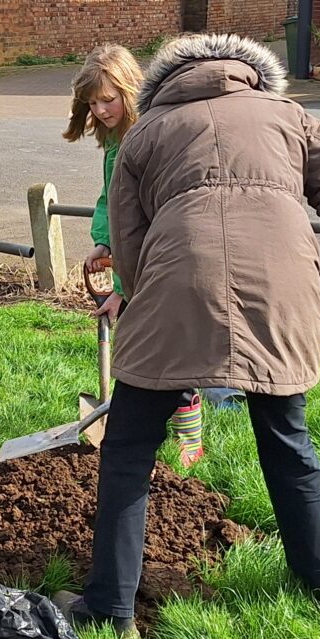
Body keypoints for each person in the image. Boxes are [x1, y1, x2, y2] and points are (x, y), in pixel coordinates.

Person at [60, 32, 320, 638]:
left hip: (176, 283)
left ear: (160, 82)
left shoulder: (147, 131)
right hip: (280, 286)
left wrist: (137, 290)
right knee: (287, 439)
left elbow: (127, 235)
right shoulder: (292, 116)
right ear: (249, 71)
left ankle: (111, 608)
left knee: (127, 447)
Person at [64, 44, 203, 472]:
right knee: (152, 349)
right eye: (93, 103)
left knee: (167, 348)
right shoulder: (114, 141)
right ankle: (163, 417)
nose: (101, 110)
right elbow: (113, 200)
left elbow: (144, 215)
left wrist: (123, 289)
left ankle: (189, 427)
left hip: (164, 253)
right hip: (137, 255)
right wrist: (104, 243)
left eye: (109, 99)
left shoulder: (149, 134)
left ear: (129, 89)